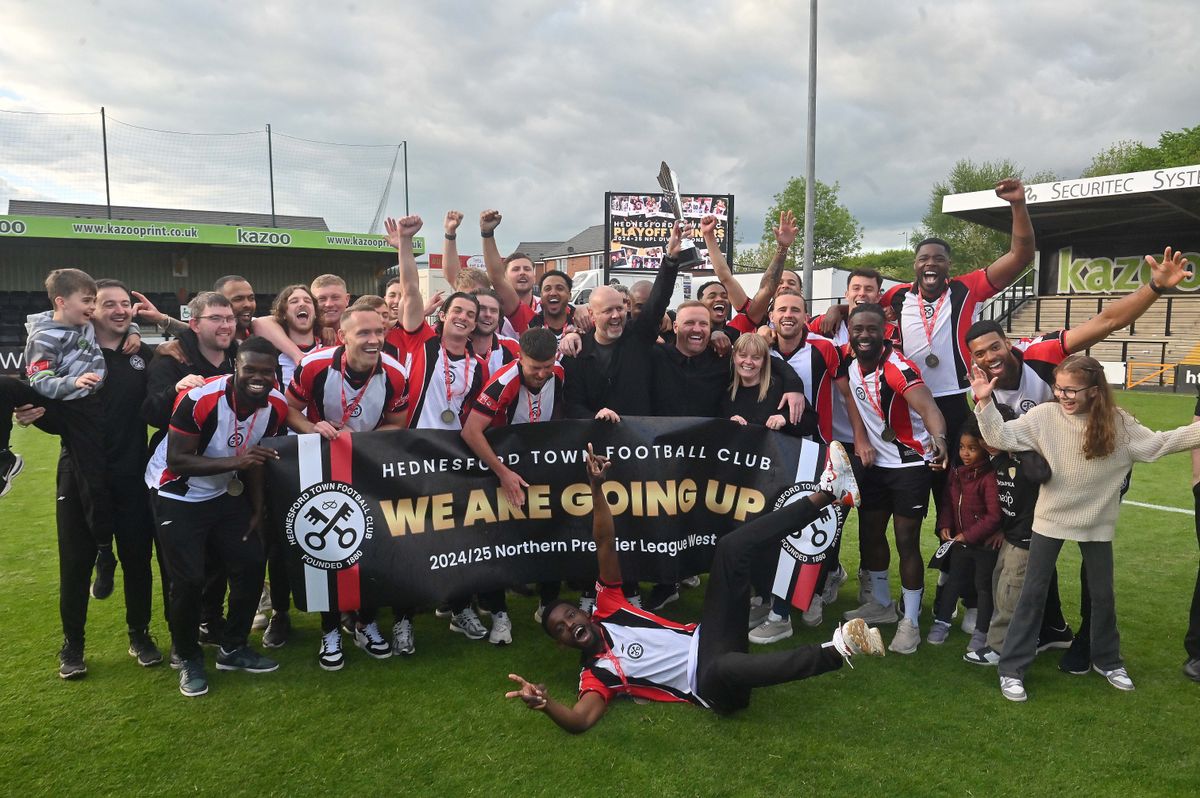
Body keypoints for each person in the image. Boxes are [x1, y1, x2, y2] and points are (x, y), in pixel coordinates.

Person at [504, 442, 882, 732]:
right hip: (712, 686)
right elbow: (579, 721)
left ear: (582, 610)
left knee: (731, 549)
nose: (571, 624)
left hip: (711, 636)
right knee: (725, 667)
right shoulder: (596, 676)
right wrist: (546, 704)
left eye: (569, 615)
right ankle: (838, 649)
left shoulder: (609, 605)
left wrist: (596, 487)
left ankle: (830, 493)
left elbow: (604, 541)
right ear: (562, 643)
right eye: (561, 629)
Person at [972, 354, 1200, 702]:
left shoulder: (1118, 423)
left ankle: (1107, 660)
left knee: (1102, 596)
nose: (1063, 396)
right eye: (1058, 388)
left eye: (1072, 390)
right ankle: (1012, 668)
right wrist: (984, 401)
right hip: (1050, 518)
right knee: (1031, 594)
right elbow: (1000, 435)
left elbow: (1160, 444)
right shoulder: (1044, 416)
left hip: (1097, 522)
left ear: (1094, 391)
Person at [14, 279, 165, 678]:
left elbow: (166, 391)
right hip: (79, 471)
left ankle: (140, 634)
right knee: (75, 561)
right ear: (90, 309)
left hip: (132, 473)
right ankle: (73, 645)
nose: (119, 310)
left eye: (125, 304)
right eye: (108, 303)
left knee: (137, 558)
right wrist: (29, 414)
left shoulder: (141, 355)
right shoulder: (72, 354)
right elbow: (43, 400)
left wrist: (140, 332)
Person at [146, 336, 287, 697]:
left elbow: (257, 460)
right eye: (250, 369)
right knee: (189, 580)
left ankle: (234, 647)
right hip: (178, 491)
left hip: (226, 493)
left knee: (253, 562)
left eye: (267, 371)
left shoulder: (276, 406)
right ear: (235, 367)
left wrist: (257, 509)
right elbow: (179, 460)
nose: (258, 377)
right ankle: (190, 657)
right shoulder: (200, 398)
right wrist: (236, 463)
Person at [385, 214, 489, 646]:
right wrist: (405, 245)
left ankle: (460, 608)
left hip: (453, 459)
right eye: (458, 311)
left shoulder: (479, 366)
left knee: (457, 536)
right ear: (443, 315)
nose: (465, 317)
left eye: (473, 313)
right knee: (409, 539)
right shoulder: (417, 340)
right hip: (410, 453)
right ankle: (404, 617)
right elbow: (410, 290)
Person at [287, 304, 408, 668]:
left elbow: (397, 423)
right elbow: (287, 409)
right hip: (319, 465)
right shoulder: (314, 366)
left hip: (363, 465)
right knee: (325, 547)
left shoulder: (396, 373)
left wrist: (361, 441)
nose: (374, 341)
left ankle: (366, 622)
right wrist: (314, 429)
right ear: (343, 336)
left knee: (370, 543)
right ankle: (330, 630)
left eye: (379, 333)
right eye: (364, 334)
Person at [0, 268, 126, 601]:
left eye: (93, 301)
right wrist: (72, 382)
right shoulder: (42, 337)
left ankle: (104, 554)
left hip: (86, 410)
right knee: (3, 387)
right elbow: (40, 382)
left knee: (94, 487)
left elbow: (122, 322)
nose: (92, 307)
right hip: (59, 403)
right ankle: (4, 458)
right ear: (61, 301)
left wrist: (137, 331)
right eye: (87, 301)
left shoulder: (85, 322)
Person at [838, 304, 948, 654]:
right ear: (850, 333)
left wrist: (940, 439)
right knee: (870, 534)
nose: (864, 335)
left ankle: (911, 621)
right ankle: (882, 604)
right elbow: (852, 402)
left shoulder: (897, 368)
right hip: (875, 467)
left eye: (872, 329)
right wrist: (860, 439)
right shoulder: (849, 360)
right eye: (858, 330)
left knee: (906, 541)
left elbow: (929, 407)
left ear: (885, 331)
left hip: (910, 466)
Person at [461, 327, 565, 642]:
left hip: (538, 465)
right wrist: (503, 472)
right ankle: (498, 614)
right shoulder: (503, 382)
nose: (542, 374)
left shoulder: (558, 374)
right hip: (499, 466)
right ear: (520, 358)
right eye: (535, 368)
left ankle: (547, 604)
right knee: (498, 541)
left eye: (547, 366)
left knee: (551, 537)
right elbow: (470, 432)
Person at [928, 422, 1000, 648]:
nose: (965, 453)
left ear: (984, 449)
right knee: (953, 581)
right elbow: (949, 504)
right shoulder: (957, 474)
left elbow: (994, 516)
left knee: (983, 587)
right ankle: (942, 622)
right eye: (961, 447)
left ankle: (981, 632)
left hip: (983, 546)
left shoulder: (989, 477)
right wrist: (945, 525)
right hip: (959, 542)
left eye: (972, 448)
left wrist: (968, 535)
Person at [702, 210, 797, 339]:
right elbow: (726, 278)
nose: (785, 286)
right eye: (779, 282)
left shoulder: (813, 326)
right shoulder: (754, 315)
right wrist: (708, 235)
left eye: (791, 283)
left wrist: (834, 311)